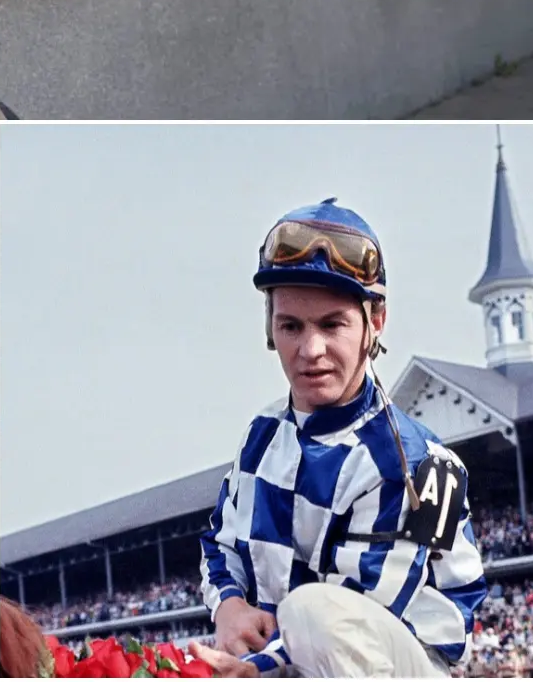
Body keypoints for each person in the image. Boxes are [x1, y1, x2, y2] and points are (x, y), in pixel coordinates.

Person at [192, 199, 488, 678]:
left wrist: (256, 667)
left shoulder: (417, 463)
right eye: (291, 326)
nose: (310, 351)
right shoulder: (261, 436)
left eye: (332, 325)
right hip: (292, 661)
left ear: (376, 323)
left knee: (311, 610)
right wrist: (229, 607)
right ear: (271, 329)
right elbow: (218, 543)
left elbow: (359, 615)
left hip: (405, 663)